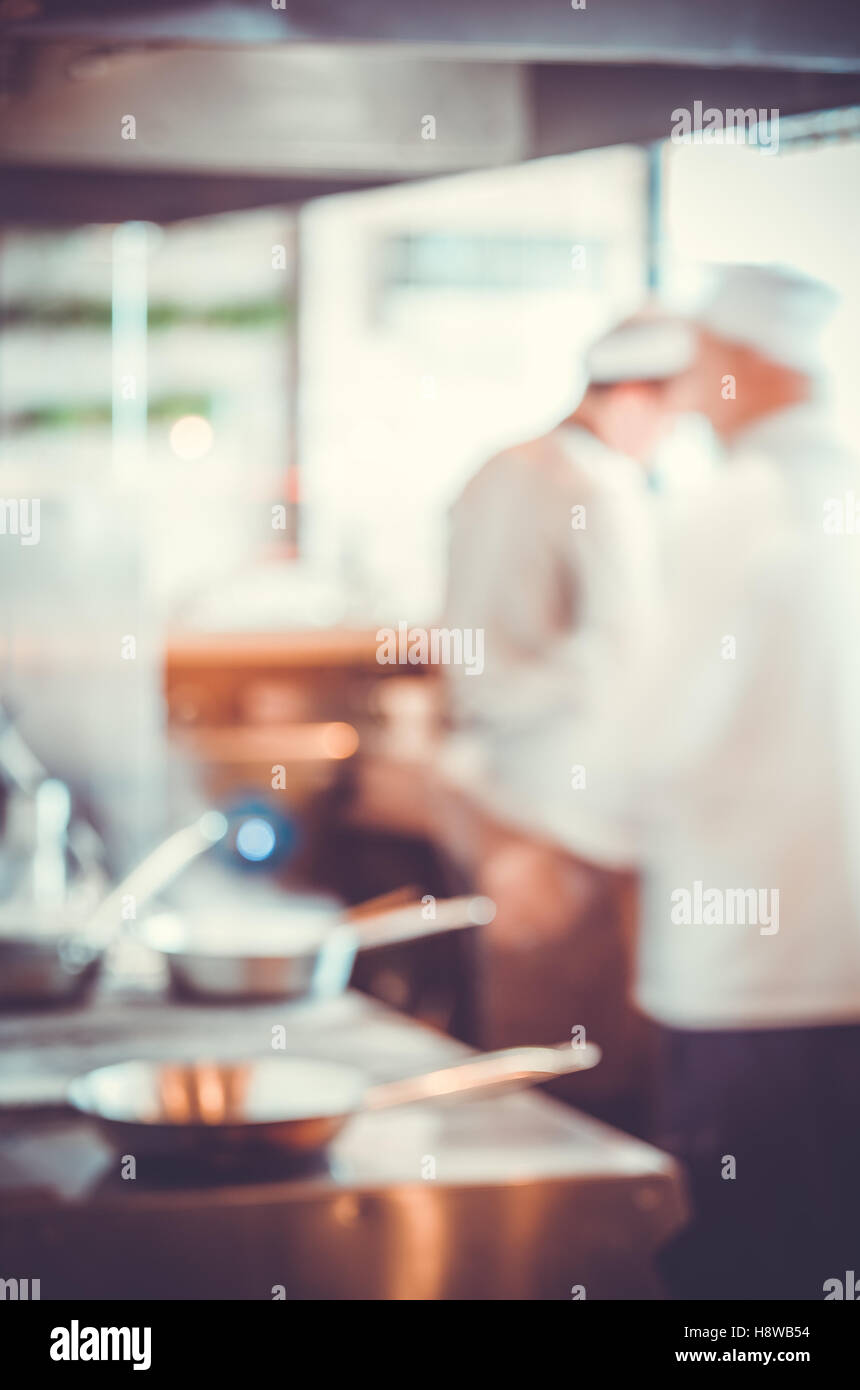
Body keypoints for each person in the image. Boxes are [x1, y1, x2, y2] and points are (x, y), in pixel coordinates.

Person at [468, 264, 860, 1299]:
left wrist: (559, 852)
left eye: (700, 369)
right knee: (832, 1246)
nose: (686, 397)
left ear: (744, 368)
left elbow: (653, 720)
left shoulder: (734, 507)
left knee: (745, 1256)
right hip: (837, 960)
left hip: (751, 973)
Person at [435, 313, 693, 1117]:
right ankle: (570, 1223)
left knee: (512, 1049)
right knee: (579, 1060)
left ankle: (508, 1203)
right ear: (639, 399)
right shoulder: (600, 486)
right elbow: (629, 656)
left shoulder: (494, 467)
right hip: (567, 810)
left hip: (486, 786)